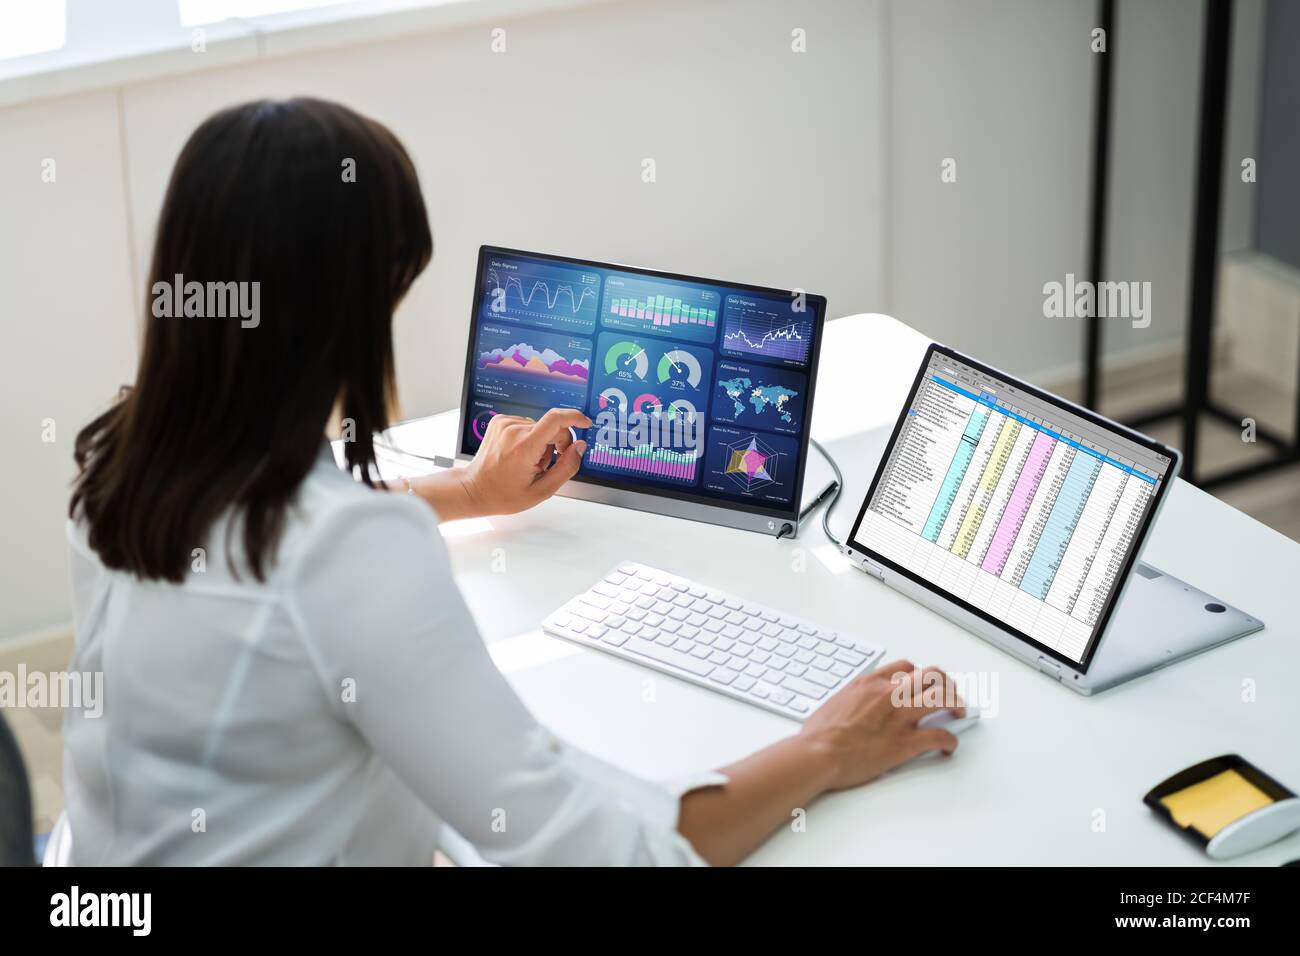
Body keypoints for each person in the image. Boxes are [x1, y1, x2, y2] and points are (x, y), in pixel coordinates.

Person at [64, 98, 963, 866]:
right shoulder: (352, 555)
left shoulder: (122, 456)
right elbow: (600, 849)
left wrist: (468, 496)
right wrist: (824, 751)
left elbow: (275, 545)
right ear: (352, 311)